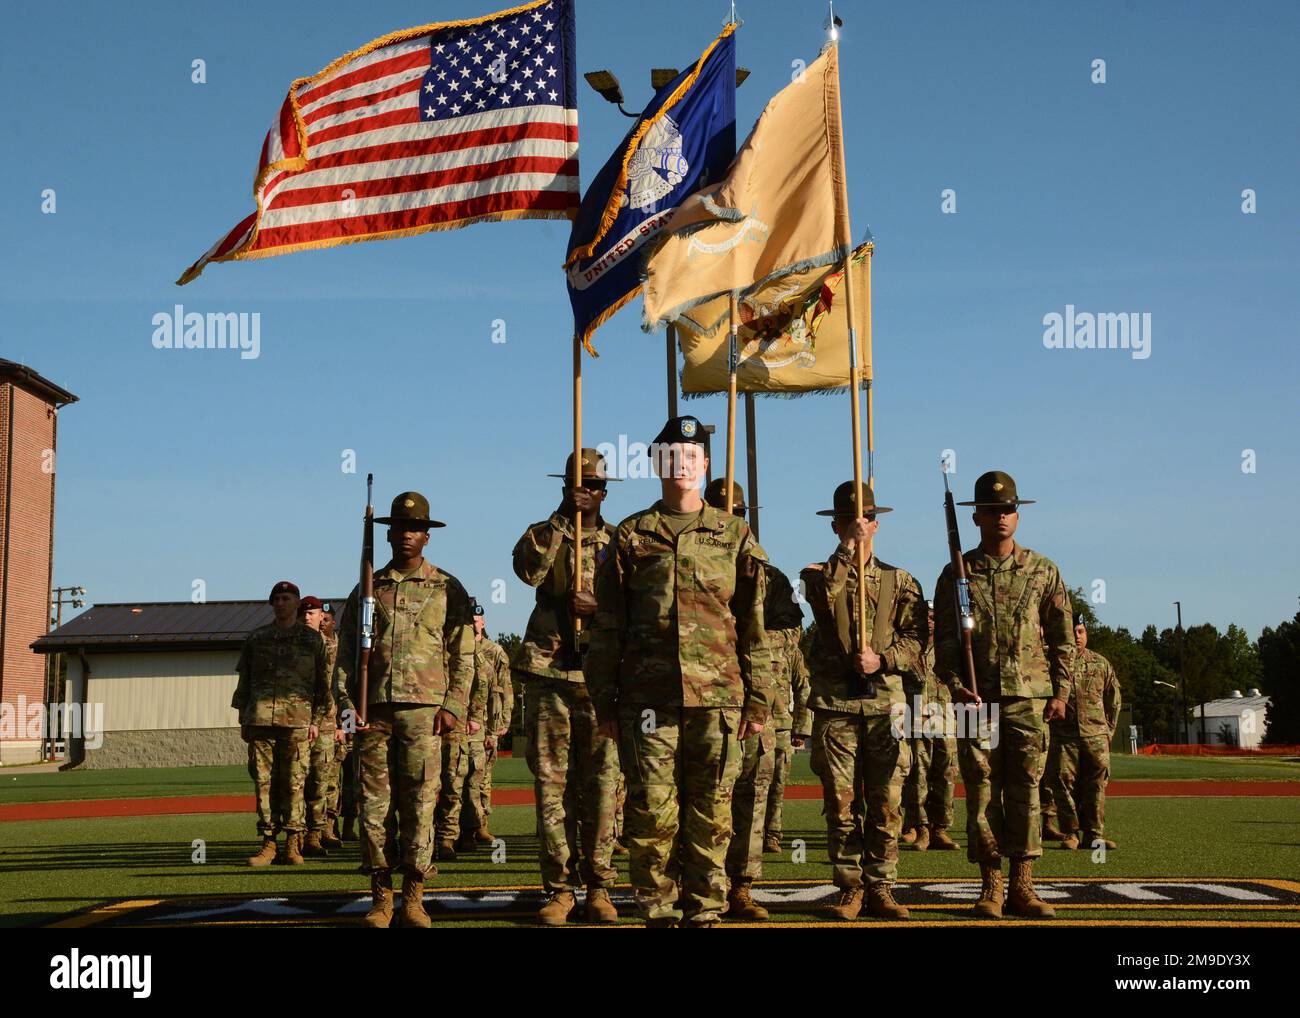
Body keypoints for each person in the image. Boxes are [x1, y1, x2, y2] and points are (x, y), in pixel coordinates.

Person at [586, 417, 773, 928]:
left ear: (705, 464)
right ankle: (657, 911)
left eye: (691, 455)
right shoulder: (631, 535)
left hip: (718, 698)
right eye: (671, 455)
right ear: (657, 464)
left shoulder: (733, 533)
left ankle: (706, 911)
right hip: (648, 699)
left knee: (712, 814)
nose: (682, 464)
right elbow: (608, 627)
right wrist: (604, 701)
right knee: (650, 811)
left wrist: (759, 701)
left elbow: (755, 624)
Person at [932, 470, 1074, 920]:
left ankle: (1023, 886)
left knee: (1027, 790)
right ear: (976, 517)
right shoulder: (958, 572)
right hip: (977, 699)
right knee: (981, 791)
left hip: (1029, 697)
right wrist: (956, 687)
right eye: (992, 511)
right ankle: (990, 885)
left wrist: (1061, 691)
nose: (1001, 518)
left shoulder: (1043, 570)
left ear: (1018, 514)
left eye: (1008, 510)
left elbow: (1063, 636)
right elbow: (946, 644)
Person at [334, 491, 479, 928]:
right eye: (399, 528)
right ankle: (380, 897)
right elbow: (343, 657)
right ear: (389, 533)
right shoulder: (368, 588)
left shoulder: (446, 587)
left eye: (415, 529)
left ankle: (414, 896)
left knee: (419, 804)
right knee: (374, 806)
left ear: (427, 537)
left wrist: (453, 705)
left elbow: (463, 653)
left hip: (424, 712)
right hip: (373, 711)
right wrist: (346, 708)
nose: (407, 536)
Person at [800, 482, 926, 921]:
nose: (861, 527)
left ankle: (882, 884)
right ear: (836, 526)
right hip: (836, 705)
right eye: (850, 522)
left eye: (867, 520)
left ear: (877, 523)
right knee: (840, 801)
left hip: (883, 705)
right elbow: (821, 600)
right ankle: (850, 886)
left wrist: (884, 658)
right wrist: (848, 549)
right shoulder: (817, 573)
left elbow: (918, 644)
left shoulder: (901, 581)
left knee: (887, 800)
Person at [513, 448, 623, 924]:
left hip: (602, 678)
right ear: (564, 488)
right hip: (550, 675)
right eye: (579, 485)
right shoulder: (545, 533)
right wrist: (563, 518)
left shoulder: (623, 542)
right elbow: (527, 571)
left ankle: (599, 884)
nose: (588, 492)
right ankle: (559, 888)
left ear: (605, 491)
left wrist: (598, 609)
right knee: (551, 788)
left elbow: (642, 605)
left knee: (603, 787)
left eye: (596, 486)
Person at [703, 478, 776, 921]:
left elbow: (767, 638)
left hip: (745, 700)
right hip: (704, 699)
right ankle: (703, 888)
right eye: (723, 509)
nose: (731, 519)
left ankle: (742, 887)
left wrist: (761, 700)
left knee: (748, 797)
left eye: (740, 513)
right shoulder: (685, 564)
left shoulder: (762, 571)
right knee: (704, 799)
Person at [232, 581, 329, 867]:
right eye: (276, 598)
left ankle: (293, 843)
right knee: (264, 785)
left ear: (297, 603)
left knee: (294, 784)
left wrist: (317, 720)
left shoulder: (312, 641)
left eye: (286, 598)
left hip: (298, 722)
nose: (281, 603)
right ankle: (268, 844)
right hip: (261, 719)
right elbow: (245, 680)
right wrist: (243, 717)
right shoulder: (257, 638)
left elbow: (323, 686)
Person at [1051, 615, 1121, 850]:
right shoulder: (1054, 664)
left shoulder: (1101, 663)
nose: (1077, 636)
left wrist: (1108, 730)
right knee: (1063, 783)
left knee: (1096, 785)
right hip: (1064, 735)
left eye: (1081, 631)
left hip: (1095, 735)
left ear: (1086, 633)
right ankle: (1070, 833)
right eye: (1073, 632)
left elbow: (1114, 700)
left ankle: (1094, 834)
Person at [899, 601, 959, 851]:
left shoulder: (951, 649)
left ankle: (940, 829)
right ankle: (921, 827)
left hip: (947, 720)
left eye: (934, 617)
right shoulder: (909, 648)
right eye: (926, 617)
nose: (930, 621)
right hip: (915, 721)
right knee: (917, 777)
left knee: (946, 776)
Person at [457, 601, 513, 851]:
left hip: (485, 723)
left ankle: (481, 825)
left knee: (482, 777)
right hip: (459, 724)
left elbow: (504, 689)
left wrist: (501, 724)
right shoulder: (457, 649)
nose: (474, 623)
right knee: (458, 777)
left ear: (483, 622)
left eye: (477, 619)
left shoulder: (495, 651)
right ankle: (460, 828)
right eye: (470, 619)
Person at [299, 596, 339, 856]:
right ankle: (297, 835)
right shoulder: (290, 644)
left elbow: (339, 686)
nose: (312, 618)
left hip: (325, 722)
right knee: (295, 782)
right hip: (295, 721)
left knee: (320, 781)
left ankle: (316, 833)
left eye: (317, 615)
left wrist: (342, 723)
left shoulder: (332, 646)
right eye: (311, 614)